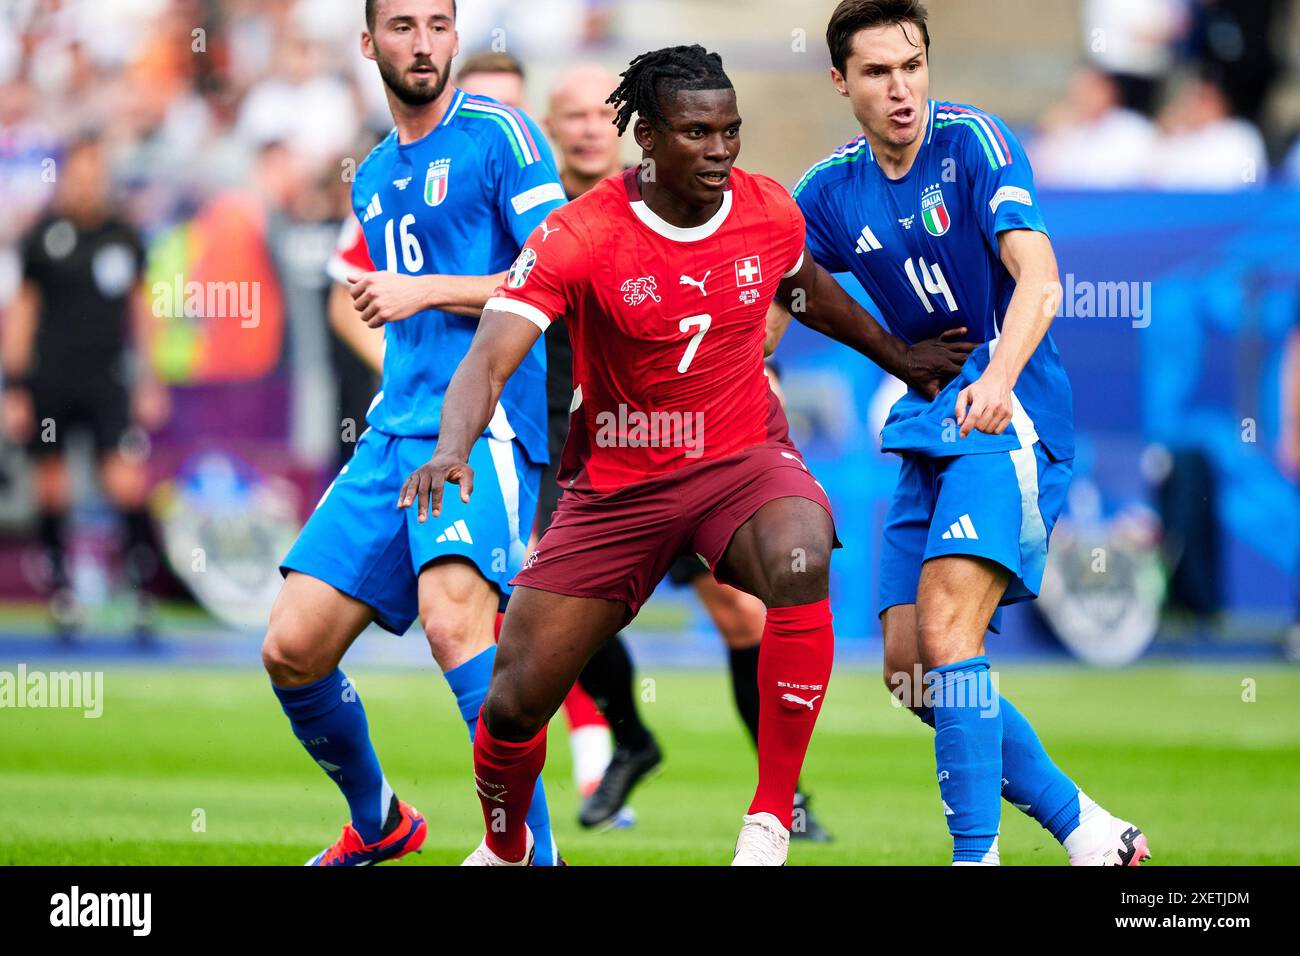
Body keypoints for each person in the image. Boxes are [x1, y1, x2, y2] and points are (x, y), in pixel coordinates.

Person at [401, 44, 971, 865]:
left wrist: (900, 357)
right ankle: (504, 847)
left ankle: (770, 819)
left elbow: (803, 286)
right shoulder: (580, 233)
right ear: (649, 139)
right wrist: (451, 448)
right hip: (616, 488)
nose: (719, 150)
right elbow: (490, 353)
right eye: (697, 132)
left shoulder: (768, 207)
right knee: (514, 705)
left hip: (739, 461)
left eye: (730, 131)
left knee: (804, 553)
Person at [777, 0, 1149, 865]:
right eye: (877, 72)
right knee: (910, 668)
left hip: (1010, 417)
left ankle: (973, 859)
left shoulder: (973, 144)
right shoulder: (829, 190)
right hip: (925, 426)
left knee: (949, 635)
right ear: (841, 82)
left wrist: (999, 377)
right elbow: (773, 286)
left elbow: (1041, 276)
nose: (901, 89)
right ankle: (1091, 833)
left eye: (913, 66)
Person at [261, 0, 568, 866]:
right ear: (369, 43)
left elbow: (557, 271)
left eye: (438, 23)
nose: (422, 42)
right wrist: (398, 301)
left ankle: (529, 852)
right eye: (401, 25)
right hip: (393, 435)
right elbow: (373, 298)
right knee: (292, 646)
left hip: (483, 425)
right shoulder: (373, 173)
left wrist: (424, 290)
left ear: (457, 37)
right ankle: (380, 822)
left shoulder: (500, 135)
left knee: (452, 622)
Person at [2, 133, 169, 643]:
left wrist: (149, 377)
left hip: (107, 381)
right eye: (80, 173)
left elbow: (144, 314)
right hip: (50, 381)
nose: (88, 182)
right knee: (53, 488)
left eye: (97, 173)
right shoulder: (43, 237)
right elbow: (24, 315)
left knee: (125, 485)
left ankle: (141, 593)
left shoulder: (123, 235)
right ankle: (64, 596)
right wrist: (14, 387)